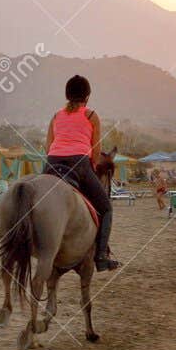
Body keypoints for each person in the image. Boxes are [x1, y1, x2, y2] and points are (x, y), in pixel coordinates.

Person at [45, 75, 118, 271]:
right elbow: (95, 150)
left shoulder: (56, 116)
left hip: (52, 164)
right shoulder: (91, 115)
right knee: (106, 208)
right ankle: (101, 256)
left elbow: (48, 146)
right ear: (87, 96)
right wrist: (92, 168)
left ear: (67, 95)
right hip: (79, 164)